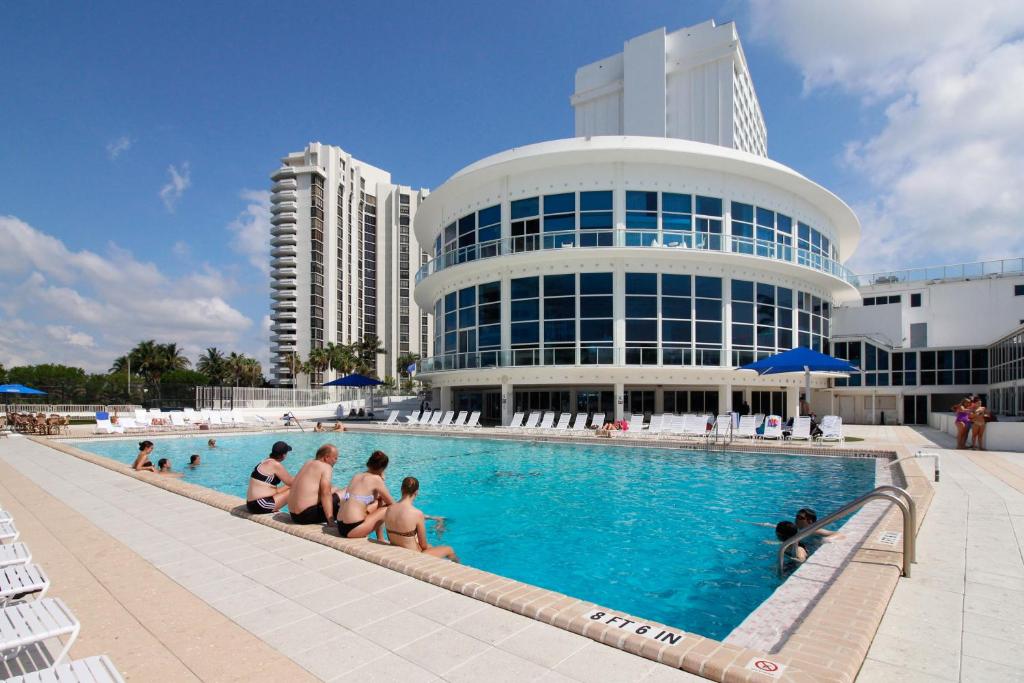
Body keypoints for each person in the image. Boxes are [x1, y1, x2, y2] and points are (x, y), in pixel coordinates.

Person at [385, 477, 459, 562]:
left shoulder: (389, 509)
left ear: (401, 489)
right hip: (413, 557)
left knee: (431, 547)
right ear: (416, 492)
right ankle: (460, 569)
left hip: (398, 552)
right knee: (449, 549)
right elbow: (423, 546)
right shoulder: (417, 513)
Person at [336, 450, 395, 539]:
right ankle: (381, 538)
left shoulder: (357, 476)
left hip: (340, 526)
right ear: (383, 468)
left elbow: (364, 499)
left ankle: (380, 537)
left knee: (378, 502)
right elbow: (392, 504)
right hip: (352, 528)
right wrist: (382, 480)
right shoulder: (376, 479)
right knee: (388, 508)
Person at [288, 444, 342, 524]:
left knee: (335, 489)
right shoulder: (326, 467)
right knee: (345, 493)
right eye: (335, 458)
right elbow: (325, 493)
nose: (336, 461)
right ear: (326, 457)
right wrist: (330, 520)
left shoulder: (308, 463)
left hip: (294, 516)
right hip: (306, 516)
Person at [247, 441, 295, 514]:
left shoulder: (265, 461)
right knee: (295, 490)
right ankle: (298, 514)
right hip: (261, 504)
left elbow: (289, 484)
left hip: (252, 504)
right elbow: (291, 482)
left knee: (289, 487)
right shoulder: (275, 464)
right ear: (283, 455)